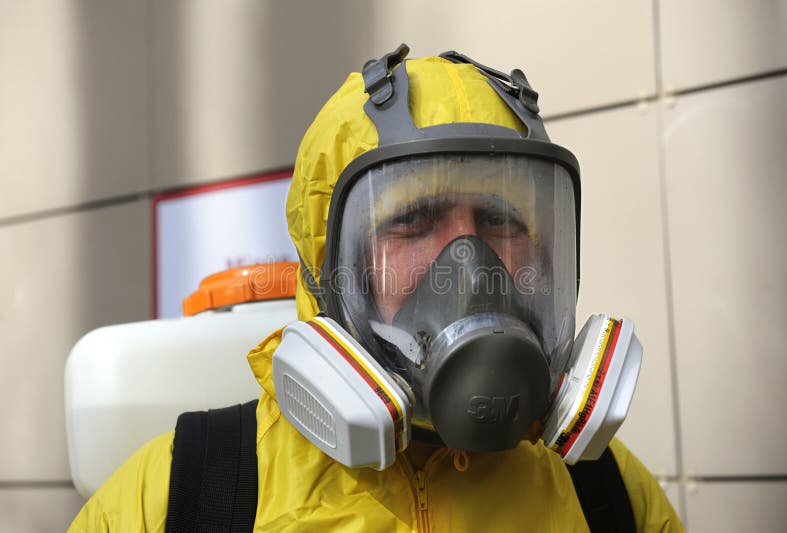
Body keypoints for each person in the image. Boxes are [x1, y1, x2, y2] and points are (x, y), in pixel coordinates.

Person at [69, 45, 684, 532]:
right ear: (328, 272)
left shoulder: (607, 497)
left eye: (500, 220)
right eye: (413, 222)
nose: (471, 266)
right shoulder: (182, 497)